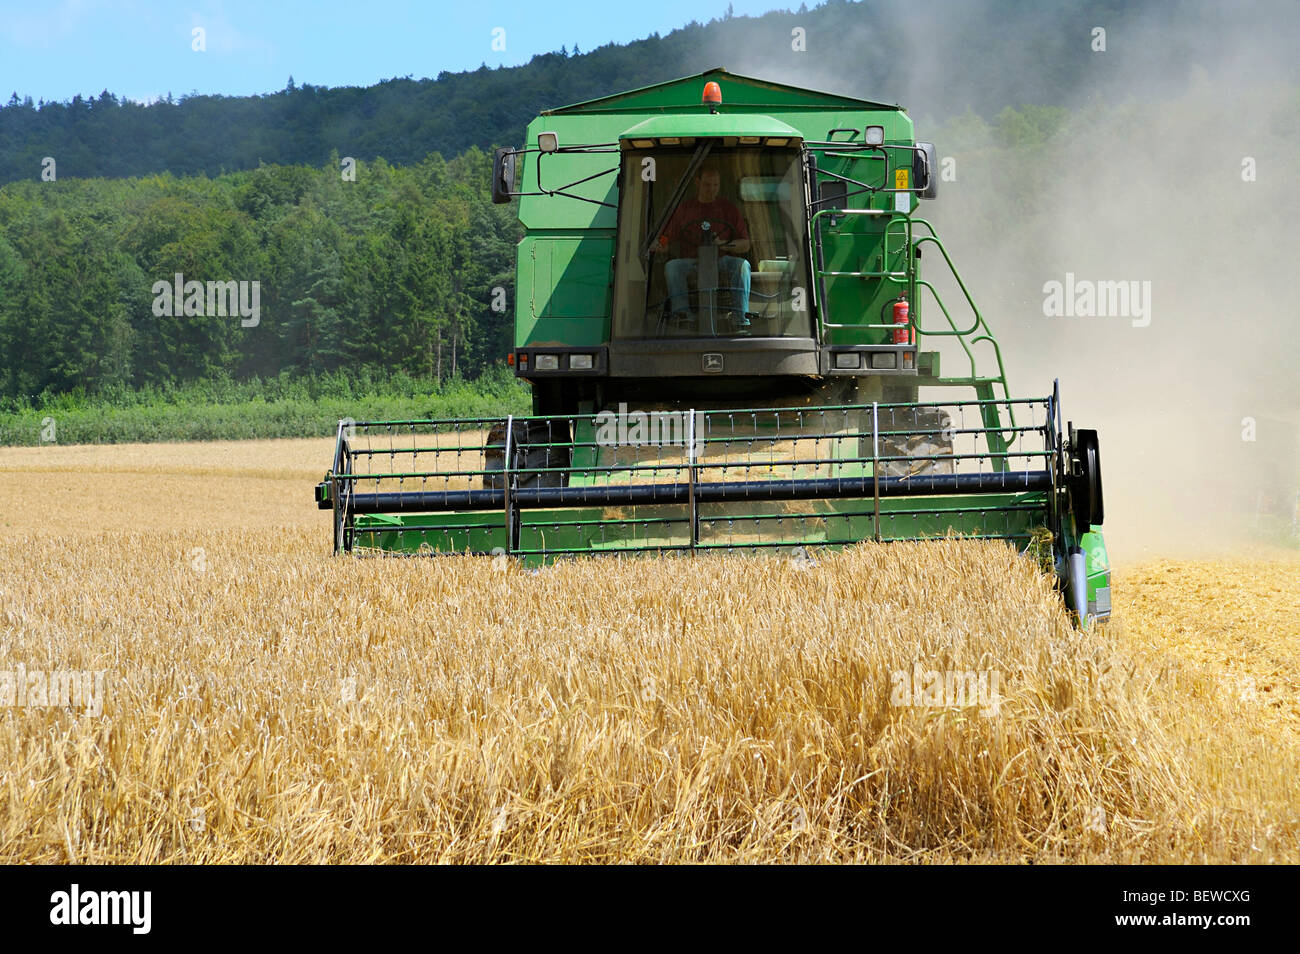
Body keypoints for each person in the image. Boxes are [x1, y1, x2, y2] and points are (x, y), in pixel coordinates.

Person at [656, 165, 752, 329]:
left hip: (722, 260)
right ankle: (683, 315)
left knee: (743, 266)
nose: (712, 189)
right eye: (707, 185)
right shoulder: (684, 209)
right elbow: (666, 237)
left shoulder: (728, 208)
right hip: (693, 261)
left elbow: (745, 244)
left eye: (716, 185)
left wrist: (723, 244)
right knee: (672, 267)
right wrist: (660, 245)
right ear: (697, 183)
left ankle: (740, 318)